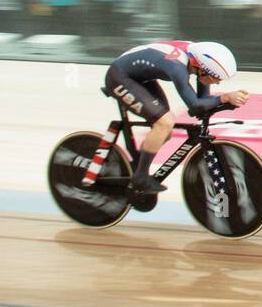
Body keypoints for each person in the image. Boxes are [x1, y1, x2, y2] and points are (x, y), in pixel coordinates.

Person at [103, 40, 249, 194]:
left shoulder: (197, 60)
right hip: (119, 77)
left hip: (139, 78)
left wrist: (223, 102)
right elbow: (194, 105)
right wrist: (224, 98)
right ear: (202, 69)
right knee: (164, 123)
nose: (218, 83)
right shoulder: (177, 67)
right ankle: (140, 177)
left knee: (165, 131)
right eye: (216, 78)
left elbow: (202, 104)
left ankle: (138, 165)